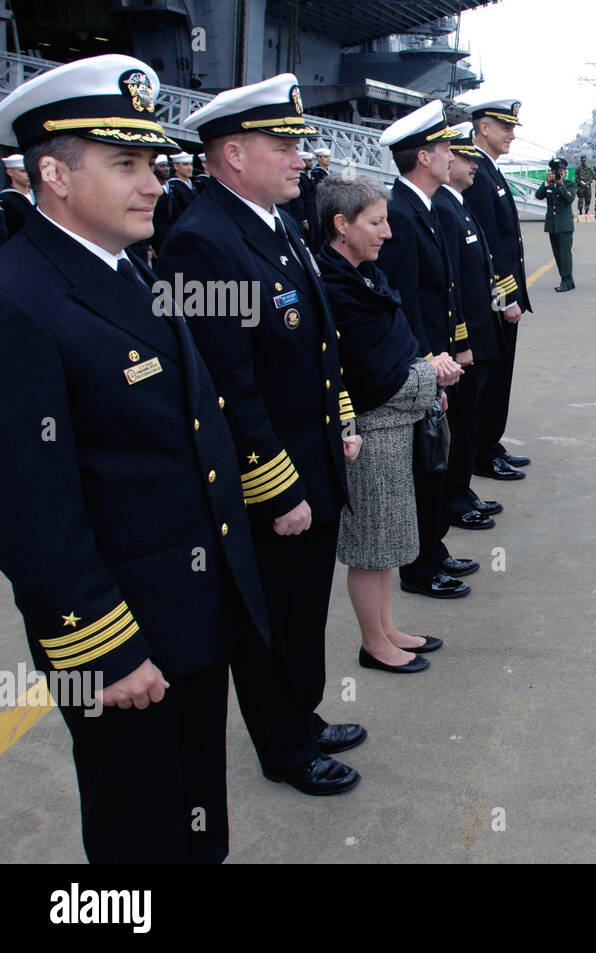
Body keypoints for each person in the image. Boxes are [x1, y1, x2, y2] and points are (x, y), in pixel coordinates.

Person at [0, 53, 271, 862]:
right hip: (123, 636)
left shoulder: (124, 267)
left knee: (193, 816)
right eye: (125, 164)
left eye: (153, 163)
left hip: (187, 610)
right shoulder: (19, 301)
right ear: (52, 173)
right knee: (140, 833)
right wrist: (106, 648)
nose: (154, 182)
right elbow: (29, 507)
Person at [158, 73, 365, 798]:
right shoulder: (201, 242)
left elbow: (317, 344)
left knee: (306, 606)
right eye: (284, 145)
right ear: (234, 154)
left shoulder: (275, 223)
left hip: (314, 458)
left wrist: (338, 418)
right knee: (274, 616)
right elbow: (224, 386)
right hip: (273, 478)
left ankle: (300, 717)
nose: (300, 157)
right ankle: (284, 745)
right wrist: (277, 487)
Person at [318, 176, 447, 674]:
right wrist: (428, 374)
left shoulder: (363, 273)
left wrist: (423, 370)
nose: (387, 233)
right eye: (375, 222)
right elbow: (371, 370)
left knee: (389, 538)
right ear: (341, 225)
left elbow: (396, 346)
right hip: (370, 429)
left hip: (393, 425)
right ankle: (374, 643)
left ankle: (388, 627)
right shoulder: (335, 282)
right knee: (370, 544)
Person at [375, 99, 479, 597]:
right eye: (442, 147)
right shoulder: (400, 213)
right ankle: (418, 568)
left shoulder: (426, 208)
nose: (451, 154)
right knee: (423, 467)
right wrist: (424, 367)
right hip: (423, 365)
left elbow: (447, 290)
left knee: (436, 460)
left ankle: (433, 549)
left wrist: (455, 348)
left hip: (441, 360)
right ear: (422, 157)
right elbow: (405, 303)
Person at [435, 125, 507, 532]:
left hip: (477, 332)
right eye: (464, 157)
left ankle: (463, 492)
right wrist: (462, 338)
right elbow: (452, 285)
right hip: (464, 339)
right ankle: (456, 499)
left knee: (468, 421)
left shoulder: (456, 204)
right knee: (459, 427)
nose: (472, 164)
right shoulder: (445, 210)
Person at [466, 99, 534, 479]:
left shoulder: (490, 171)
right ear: (482, 128)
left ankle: (491, 443)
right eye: (504, 127)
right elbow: (490, 243)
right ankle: (482, 450)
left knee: (500, 377)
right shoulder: (477, 174)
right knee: (491, 380)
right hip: (496, 299)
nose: (511, 135)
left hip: (503, 296)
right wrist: (507, 296)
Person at [536, 158, 576, 292]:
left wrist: (561, 185)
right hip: (552, 225)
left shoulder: (570, 184)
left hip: (564, 225)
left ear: (565, 171)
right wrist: (546, 183)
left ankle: (566, 280)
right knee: (557, 254)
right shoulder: (549, 185)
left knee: (565, 254)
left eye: (560, 171)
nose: (558, 173)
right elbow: (538, 195)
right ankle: (567, 280)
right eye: (554, 171)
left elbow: (569, 199)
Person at [1, 152, 36, 238]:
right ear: (10, 172)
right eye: (23, 171)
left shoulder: (37, 194)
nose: (28, 175)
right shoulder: (4, 198)